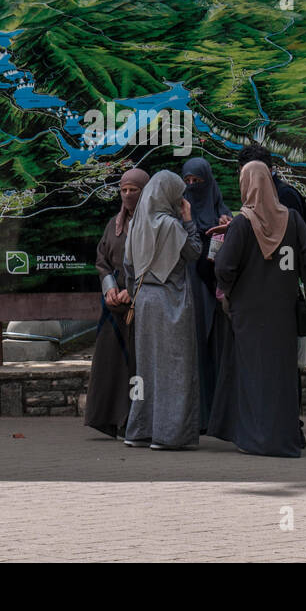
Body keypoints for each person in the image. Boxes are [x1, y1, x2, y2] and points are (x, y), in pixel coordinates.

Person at [209, 160, 306, 457]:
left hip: (248, 313)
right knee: (282, 377)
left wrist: (232, 289)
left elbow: (224, 267)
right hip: (284, 312)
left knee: (252, 375)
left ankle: (255, 438)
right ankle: (285, 437)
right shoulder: (293, 218)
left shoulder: (242, 223)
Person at [123, 169, 203, 450]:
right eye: (179, 194)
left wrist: (137, 294)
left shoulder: (136, 225)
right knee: (175, 368)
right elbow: (194, 251)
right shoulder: (170, 225)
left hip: (145, 300)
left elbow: (128, 268)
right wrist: (189, 220)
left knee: (147, 368)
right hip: (171, 300)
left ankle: (139, 431)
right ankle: (169, 435)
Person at [85, 167, 148, 439]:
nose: (128, 195)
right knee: (110, 364)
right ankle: (108, 418)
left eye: (134, 190)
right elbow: (103, 261)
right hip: (113, 309)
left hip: (141, 307)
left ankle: (132, 420)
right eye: (123, 190)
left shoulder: (154, 224)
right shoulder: (115, 224)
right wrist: (110, 289)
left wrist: (132, 291)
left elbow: (155, 264)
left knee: (135, 366)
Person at [180, 156, 232, 430]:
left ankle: (218, 416)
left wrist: (229, 228)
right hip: (190, 290)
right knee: (195, 350)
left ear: (208, 182)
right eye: (187, 181)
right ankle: (197, 416)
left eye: (197, 181)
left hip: (216, 291)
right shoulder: (177, 214)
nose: (192, 187)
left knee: (217, 351)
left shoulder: (223, 212)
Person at [236, 143, 306, 284]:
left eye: (249, 174)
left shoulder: (284, 195)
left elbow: (291, 239)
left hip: (282, 276)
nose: (245, 179)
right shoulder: (259, 195)